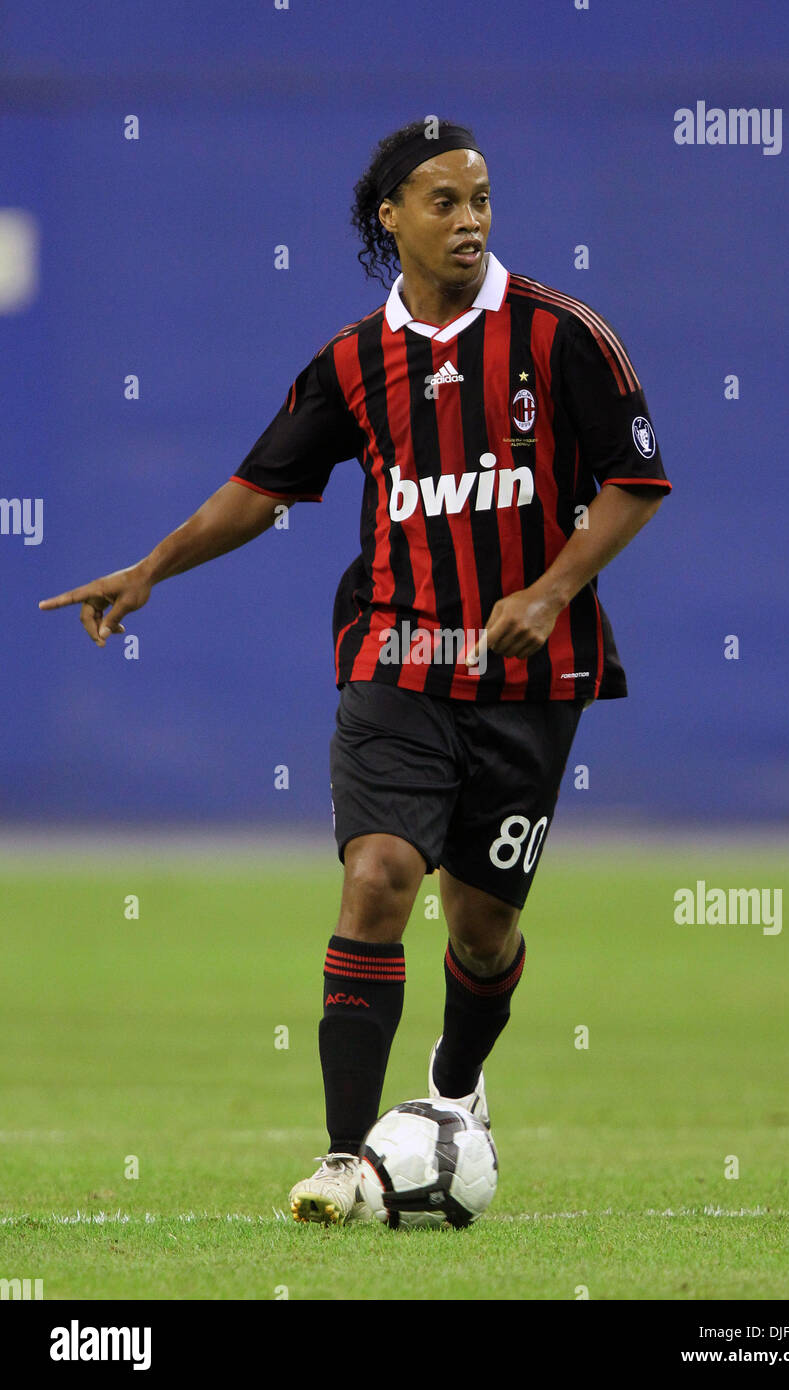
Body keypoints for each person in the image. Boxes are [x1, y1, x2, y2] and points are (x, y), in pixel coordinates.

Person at [39, 118, 671, 1226]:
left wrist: (550, 590)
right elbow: (260, 485)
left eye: (480, 199)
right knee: (378, 875)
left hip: (529, 676)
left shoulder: (561, 336)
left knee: (479, 928)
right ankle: (340, 1155)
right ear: (389, 216)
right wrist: (150, 569)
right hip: (394, 654)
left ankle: (457, 1093)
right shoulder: (351, 361)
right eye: (442, 201)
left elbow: (634, 478)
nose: (469, 219)